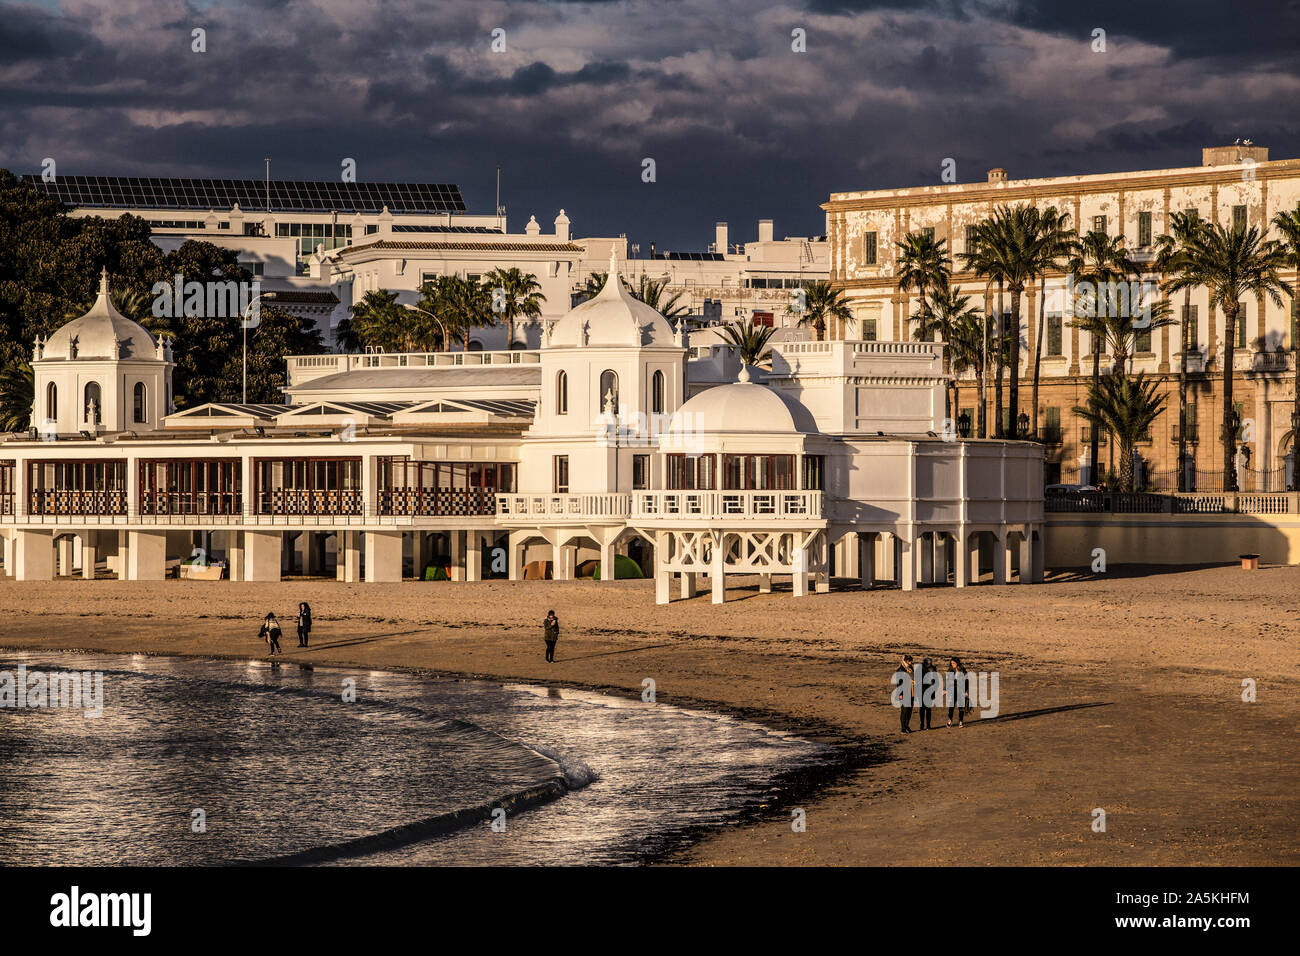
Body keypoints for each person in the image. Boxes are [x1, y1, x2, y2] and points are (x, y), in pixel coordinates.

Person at [894, 655, 914, 733]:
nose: (910, 662)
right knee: (904, 711)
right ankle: (903, 728)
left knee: (909, 710)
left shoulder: (911, 668)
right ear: (904, 661)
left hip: (912, 691)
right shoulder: (900, 670)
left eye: (910, 661)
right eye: (908, 661)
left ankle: (907, 726)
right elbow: (898, 683)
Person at [946, 657, 968, 728]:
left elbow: (966, 682)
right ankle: (950, 720)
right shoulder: (950, 670)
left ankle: (961, 721)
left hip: (961, 690)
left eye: (954, 663)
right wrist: (945, 689)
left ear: (957, 663)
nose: (952, 664)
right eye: (951, 663)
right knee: (951, 706)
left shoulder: (963, 670)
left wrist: (966, 691)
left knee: (961, 707)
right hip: (952, 690)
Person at [918, 657, 936, 730]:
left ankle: (928, 724)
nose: (929, 665)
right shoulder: (920, 669)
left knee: (928, 709)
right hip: (922, 690)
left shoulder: (933, 668)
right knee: (922, 708)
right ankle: (922, 724)